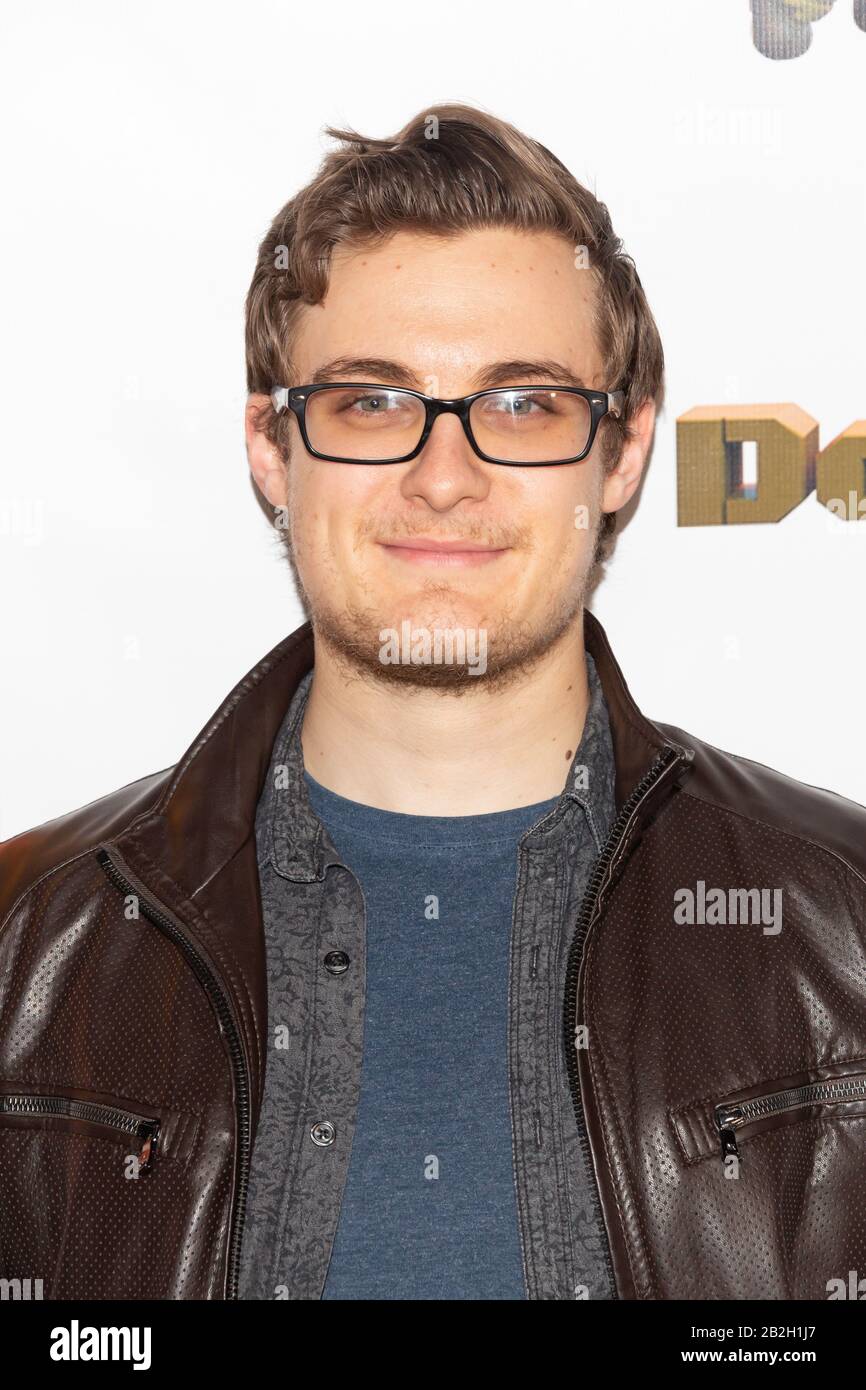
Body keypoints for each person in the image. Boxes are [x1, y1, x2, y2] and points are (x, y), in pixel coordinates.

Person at [2, 104, 865, 1302]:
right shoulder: (31, 949)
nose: (443, 476)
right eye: (371, 401)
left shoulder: (843, 927)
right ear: (270, 446)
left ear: (618, 457)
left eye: (521, 405)